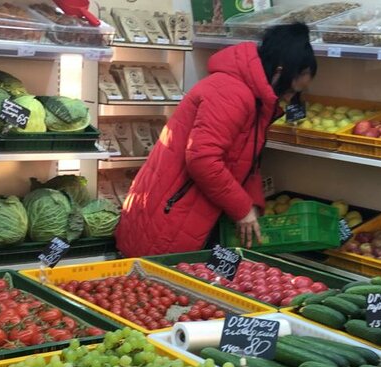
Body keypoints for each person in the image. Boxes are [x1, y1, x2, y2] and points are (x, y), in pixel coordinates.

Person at [114, 23, 317, 257]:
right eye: (291, 90)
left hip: (189, 214)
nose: (289, 98)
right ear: (279, 71)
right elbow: (203, 159)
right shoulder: (231, 93)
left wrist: (252, 204)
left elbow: (246, 161)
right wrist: (242, 209)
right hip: (171, 217)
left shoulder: (255, 98)